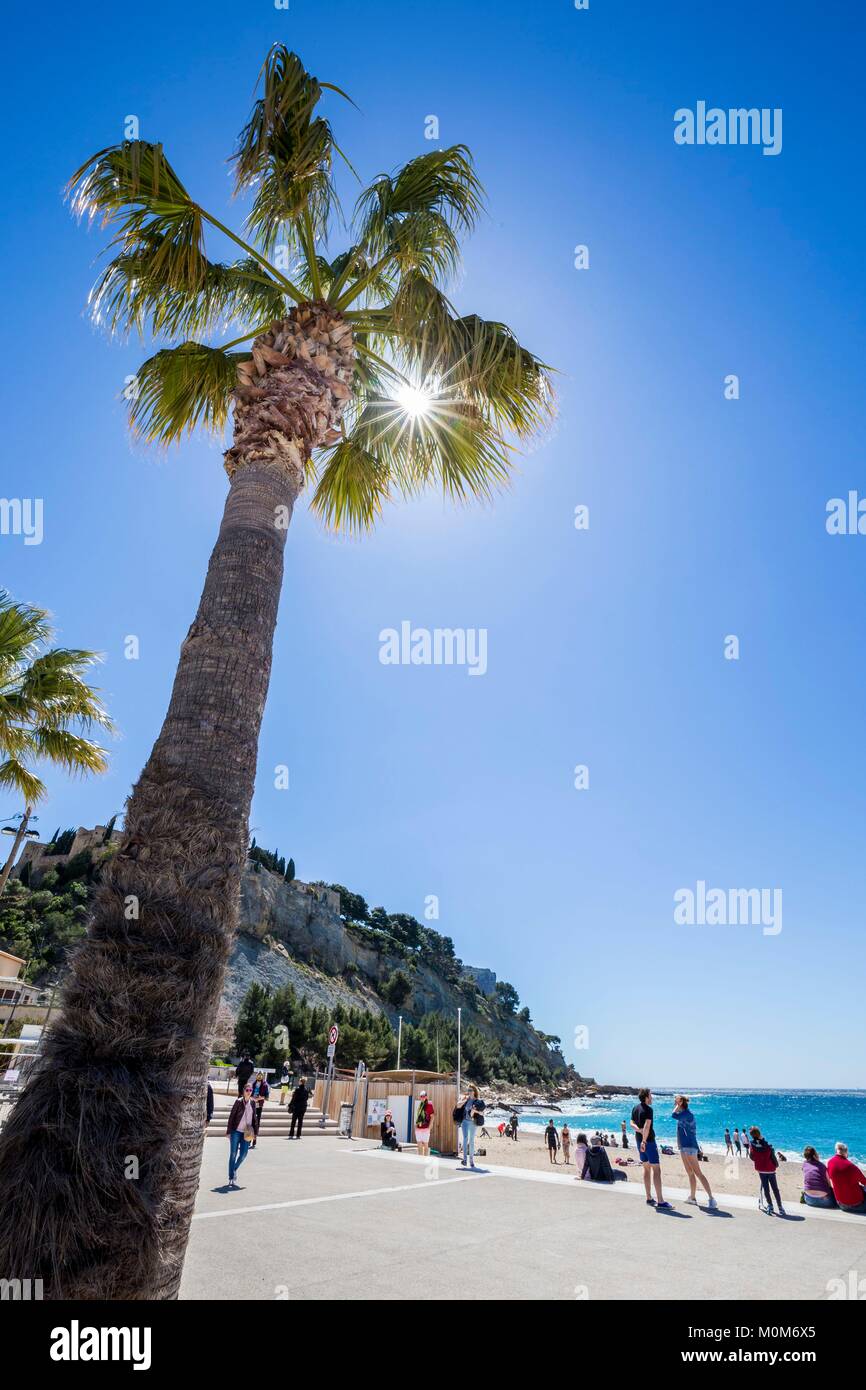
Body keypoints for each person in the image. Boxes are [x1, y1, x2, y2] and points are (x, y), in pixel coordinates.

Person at [672, 1095, 718, 1209]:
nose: (674, 1101)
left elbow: (673, 1115)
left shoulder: (687, 1114)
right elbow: (679, 1130)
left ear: (681, 1102)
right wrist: (679, 1145)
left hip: (690, 1146)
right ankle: (692, 1198)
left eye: (676, 1100)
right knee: (690, 1173)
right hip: (683, 1146)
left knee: (698, 1173)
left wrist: (677, 1107)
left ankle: (711, 1199)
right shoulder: (684, 1114)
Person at [631, 1087, 670, 1209]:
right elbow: (647, 1126)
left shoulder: (635, 1108)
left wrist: (638, 1130)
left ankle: (649, 1198)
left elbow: (631, 1123)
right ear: (646, 1097)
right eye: (651, 1095)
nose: (652, 1097)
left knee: (646, 1169)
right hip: (648, 1142)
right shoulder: (649, 1110)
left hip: (638, 1141)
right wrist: (644, 1141)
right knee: (656, 1170)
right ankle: (661, 1201)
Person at [748, 1126, 786, 1216]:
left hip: (761, 1169)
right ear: (759, 1134)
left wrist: (759, 1160)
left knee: (766, 1188)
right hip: (770, 1169)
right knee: (775, 1189)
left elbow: (752, 1156)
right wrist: (763, 1139)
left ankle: (770, 1205)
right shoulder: (767, 1145)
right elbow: (771, 1155)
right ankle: (780, 1207)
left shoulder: (752, 1144)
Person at [226, 1083, 256, 1188]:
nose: (249, 1092)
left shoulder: (253, 1103)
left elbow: (254, 1119)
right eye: (247, 1090)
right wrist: (228, 1131)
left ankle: (233, 1169)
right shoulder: (238, 1102)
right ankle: (231, 1177)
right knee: (233, 1154)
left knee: (243, 1154)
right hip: (236, 1131)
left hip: (247, 1132)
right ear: (243, 1091)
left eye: (250, 1090)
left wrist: (255, 1133)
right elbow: (231, 1117)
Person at [826, 1143, 866, 1214]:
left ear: (836, 1151)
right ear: (846, 1152)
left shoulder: (830, 1163)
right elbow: (864, 1181)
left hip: (841, 1204)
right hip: (857, 1205)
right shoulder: (851, 1166)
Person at [456, 1084, 485, 1170]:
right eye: (468, 1090)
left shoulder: (478, 1101)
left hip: (473, 1122)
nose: (469, 1092)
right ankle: (465, 1160)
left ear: (474, 1091)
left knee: (471, 1141)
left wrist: (476, 1111)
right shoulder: (466, 1099)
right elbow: (457, 1106)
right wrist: (464, 1101)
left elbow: (482, 1113)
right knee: (465, 1139)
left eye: (471, 1090)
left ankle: (471, 1161)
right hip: (465, 1121)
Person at [250, 1071, 270, 1148]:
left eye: (261, 1075)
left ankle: (254, 1140)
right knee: (250, 1121)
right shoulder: (253, 1084)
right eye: (258, 1075)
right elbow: (250, 1093)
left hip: (259, 1105)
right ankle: (248, 1138)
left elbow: (266, 1096)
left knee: (256, 1122)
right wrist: (253, 1098)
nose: (259, 1076)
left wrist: (259, 1098)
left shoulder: (265, 1085)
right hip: (252, 1104)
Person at [415, 1090, 434, 1157]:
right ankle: (420, 1159)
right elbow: (418, 1116)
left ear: (426, 1097)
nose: (422, 1097)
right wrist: (416, 1126)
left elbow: (432, 1116)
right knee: (419, 1144)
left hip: (426, 1128)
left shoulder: (429, 1105)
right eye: (421, 1096)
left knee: (425, 1144)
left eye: (423, 1096)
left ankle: (425, 1159)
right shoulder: (420, 1105)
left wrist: (430, 1126)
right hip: (419, 1128)